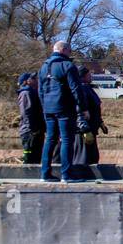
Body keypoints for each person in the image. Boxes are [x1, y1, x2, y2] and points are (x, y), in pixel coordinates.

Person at [38, 40, 85, 182]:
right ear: (64, 50)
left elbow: (40, 90)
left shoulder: (43, 67)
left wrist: (44, 106)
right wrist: (82, 107)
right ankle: (66, 175)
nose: (70, 54)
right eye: (70, 51)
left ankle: (45, 174)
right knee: (66, 140)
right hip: (64, 108)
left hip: (48, 108)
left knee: (50, 140)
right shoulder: (68, 66)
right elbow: (76, 89)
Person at [72, 66, 107, 169]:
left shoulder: (88, 88)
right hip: (84, 130)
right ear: (82, 76)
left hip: (92, 128)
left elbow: (94, 107)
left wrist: (100, 122)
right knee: (83, 158)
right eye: (88, 74)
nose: (90, 76)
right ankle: (80, 176)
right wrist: (84, 128)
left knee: (93, 157)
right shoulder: (81, 89)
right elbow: (80, 109)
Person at [16, 72, 45, 165]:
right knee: (29, 156)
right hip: (30, 132)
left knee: (36, 157)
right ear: (26, 81)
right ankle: (27, 175)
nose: (36, 80)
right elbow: (26, 113)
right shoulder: (26, 93)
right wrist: (32, 130)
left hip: (36, 131)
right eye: (33, 78)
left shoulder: (34, 92)